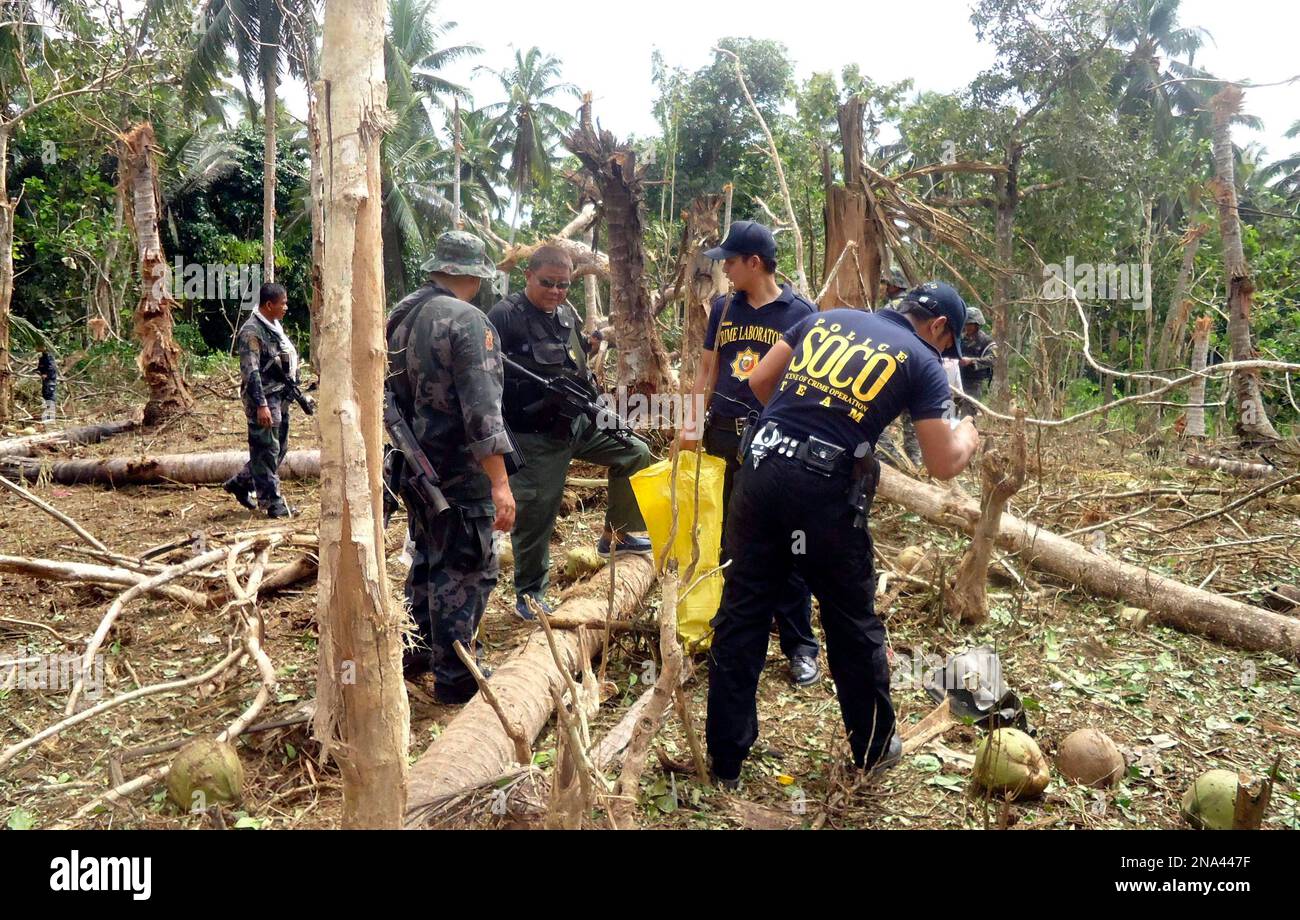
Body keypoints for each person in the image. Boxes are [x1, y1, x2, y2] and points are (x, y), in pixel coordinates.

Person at [705, 281, 981, 788]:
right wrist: (968, 434)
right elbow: (942, 463)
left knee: (743, 610)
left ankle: (725, 762)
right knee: (851, 621)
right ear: (939, 327)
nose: (943, 351)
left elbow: (761, 380)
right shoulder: (920, 359)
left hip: (760, 469)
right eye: (948, 344)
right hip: (823, 493)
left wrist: (798, 426)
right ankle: (874, 748)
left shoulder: (824, 318)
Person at [680, 219, 821, 687]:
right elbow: (706, 369)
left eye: (731, 263)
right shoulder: (723, 308)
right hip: (723, 433)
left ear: (753, 263)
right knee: (727, 538)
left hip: (776, 441)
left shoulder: (801, 312)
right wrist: (689, 427)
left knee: (788, 541)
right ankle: (733, 634)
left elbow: (809, 386)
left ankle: (800, 644)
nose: (725, 273)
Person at [488, 245, 653, 621]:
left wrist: (597, 403)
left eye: (563, 285)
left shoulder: (564, 314)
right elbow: (484, 380)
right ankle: (530, 596)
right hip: (534, 435)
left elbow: (578, 364)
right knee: (537, 514)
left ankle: (618, 534)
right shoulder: (504, 317)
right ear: (528, 276)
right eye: (548, 283)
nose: (556, 291)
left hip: (578, 420)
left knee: (635, 452)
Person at [386, 231, 517, 705]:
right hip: (460, 471)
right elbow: (483, 411)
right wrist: (500, 482)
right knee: (466, 566)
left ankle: (416, 650)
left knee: (427, 556)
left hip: (418, 464)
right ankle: (458, 674)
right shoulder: (467, 320)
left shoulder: (400, 316)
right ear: (472, 275)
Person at [224, 283, 300, 518]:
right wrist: (261, 405)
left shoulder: (274, 326)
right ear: (269, 305)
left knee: (279, 448)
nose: (286, 307)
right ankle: (273, 504)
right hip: (265, 399)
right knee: (267, 449)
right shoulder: (251, 333)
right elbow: (251, 372)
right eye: (283, 303)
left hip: (281, 395)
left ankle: (241, 482)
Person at [958, 306, 996, 404]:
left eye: (971, 324)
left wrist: (971, 361)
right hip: (957, 380)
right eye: (966, 324)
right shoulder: (959, 339)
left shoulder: (986, 341)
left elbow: (993, 359)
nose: (968, 327)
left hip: (974, 383)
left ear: (977, 325)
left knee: (969, 412)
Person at [37, 351, 58, 422]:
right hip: (45, 381)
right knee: (45, 395)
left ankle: (50, 416)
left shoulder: (49, 358)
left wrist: (46, 374)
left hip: (50, 380)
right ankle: (46, 415)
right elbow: (40, 367)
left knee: (50, 396)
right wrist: (40, 372)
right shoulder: (42, 358)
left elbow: (52, 368)